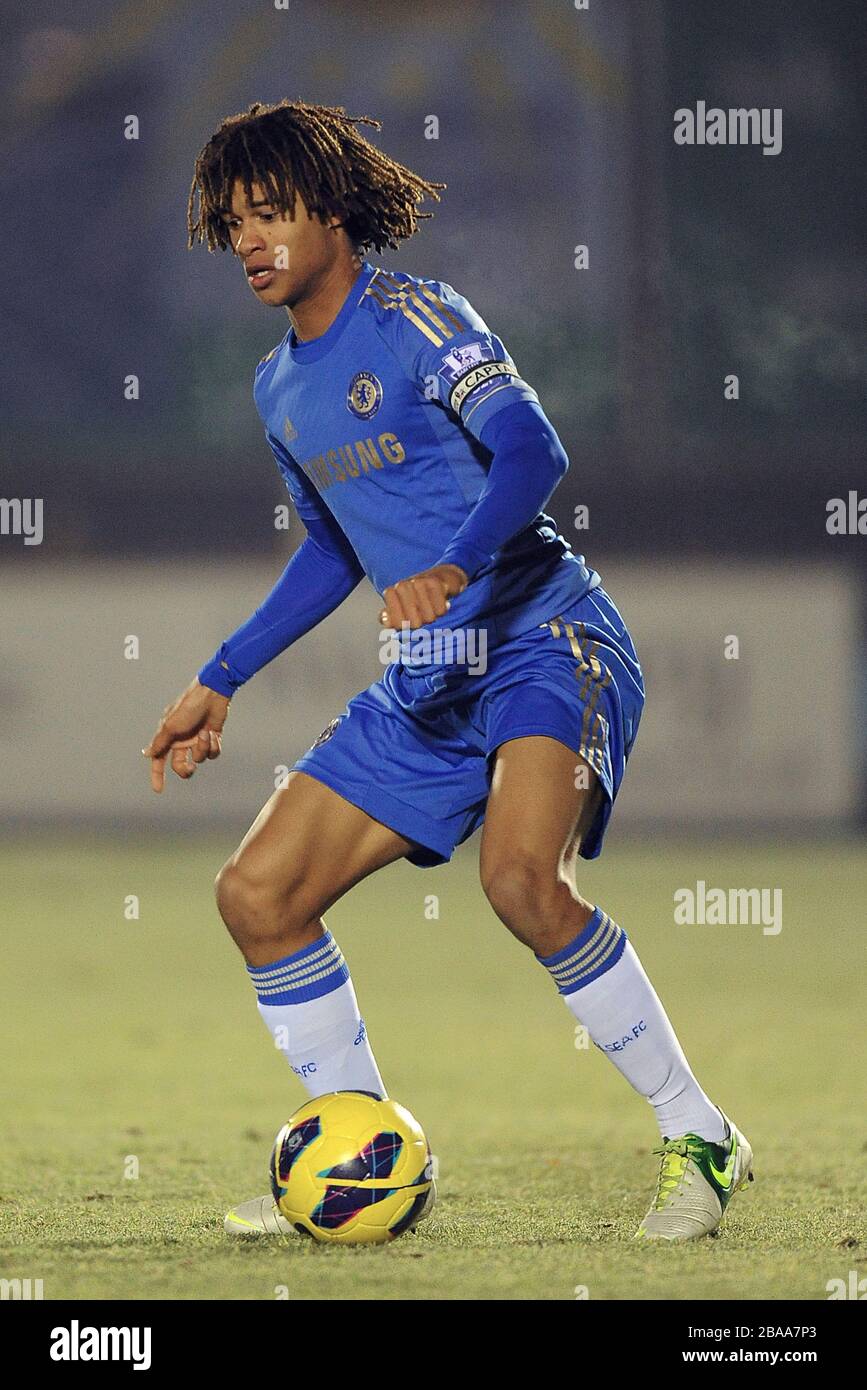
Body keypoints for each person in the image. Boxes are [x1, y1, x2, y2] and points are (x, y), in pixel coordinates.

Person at [143, 99, 753, 1243]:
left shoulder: (421, 318)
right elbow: (333, 549)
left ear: (330, 210)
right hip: (426, 681)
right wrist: (220, 675)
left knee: (522, 882)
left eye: (270, 213)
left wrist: (458, 567)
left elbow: (534, 449)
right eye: (232, 224)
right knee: (257, 895)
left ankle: (702, 1133)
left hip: (541, 638)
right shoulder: (279, 389)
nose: (250, 242)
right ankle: (362, 1153)